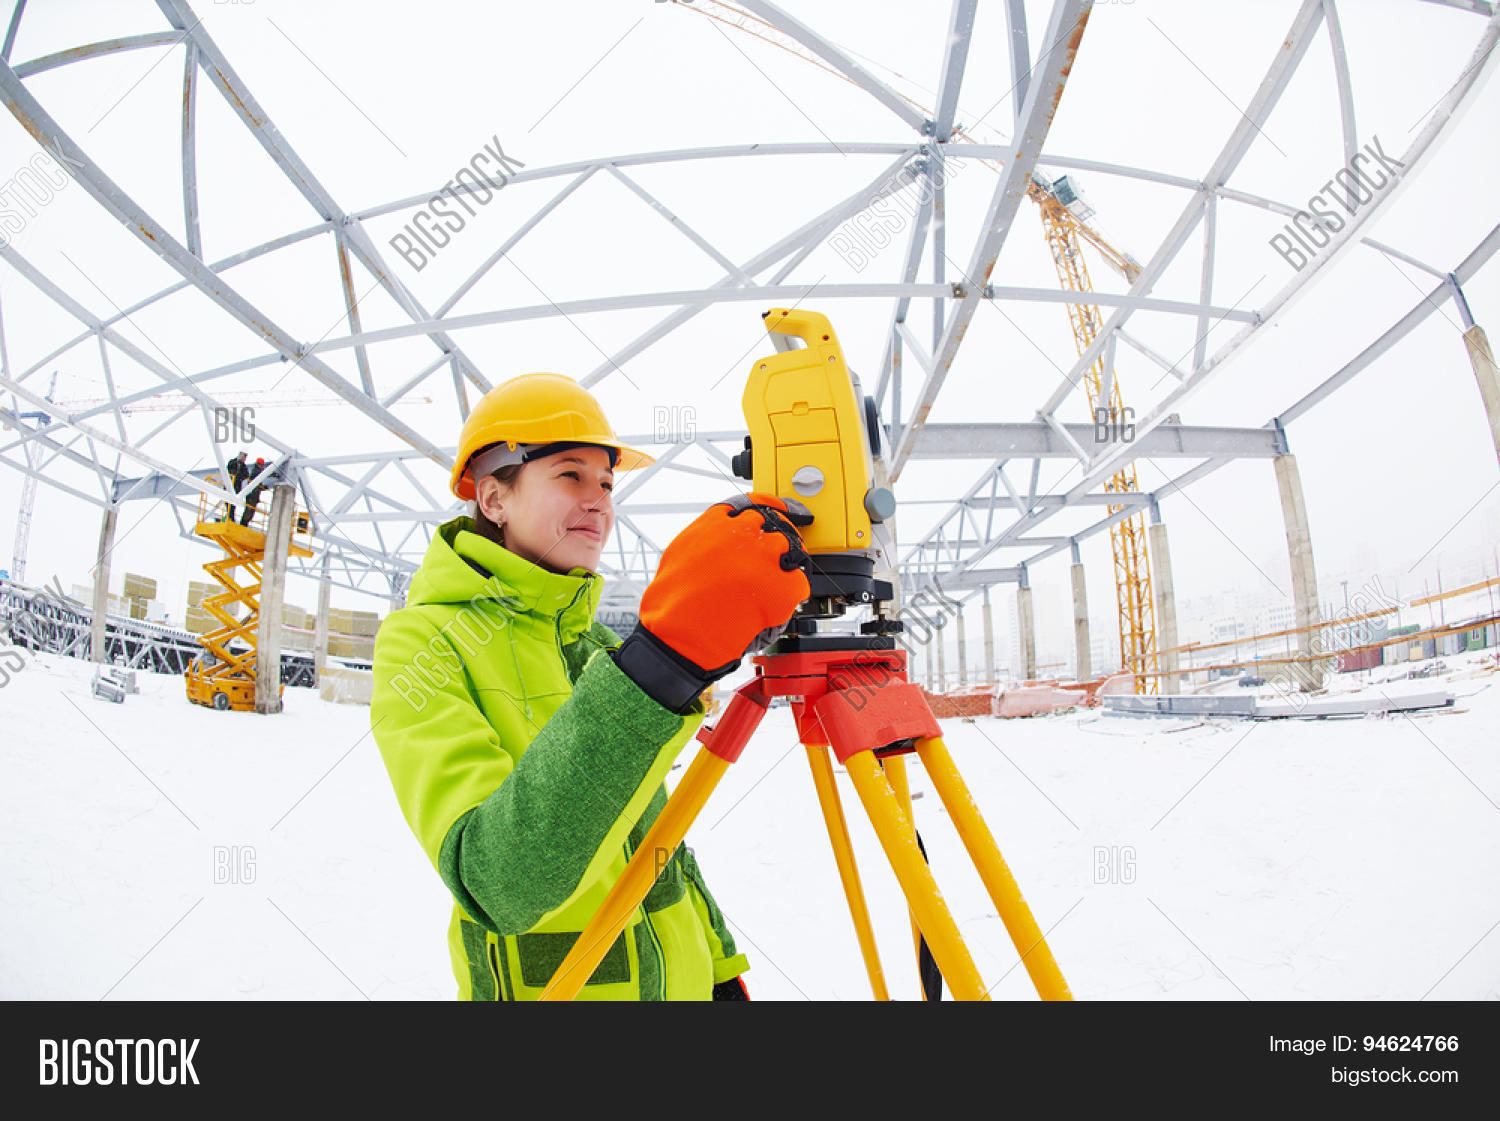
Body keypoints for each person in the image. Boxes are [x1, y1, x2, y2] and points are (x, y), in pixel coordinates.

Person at [371, 372, 811, 1001]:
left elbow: (659, 841)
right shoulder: (422, 645)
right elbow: (498, 881)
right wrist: (663, 664)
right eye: (569, 475)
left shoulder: (593, 649)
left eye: (607, 483)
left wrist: (716, 966)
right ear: (493, 499)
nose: (599, 500)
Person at [238, 457, 266, 526]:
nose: (262, 467)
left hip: (254, 495)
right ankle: (243, 524)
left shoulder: (257, 472)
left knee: (251, 511)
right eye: (261, 465)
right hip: (252, 495)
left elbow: (258, 484)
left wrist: (263, 487)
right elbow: (258, 480)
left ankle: (245, 523)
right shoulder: (256, 471)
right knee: (249, 510)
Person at [225, 451, 249, 522]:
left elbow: (246, 475)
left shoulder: (243, 466)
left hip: (236, 487)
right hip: (230, 485)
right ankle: (229, 518)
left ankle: (230, 518)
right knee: (228, 502)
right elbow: (227, 469)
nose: (244, 459)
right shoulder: (232, 462)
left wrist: (239, 477)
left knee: (232, 504)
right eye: (244, 457)